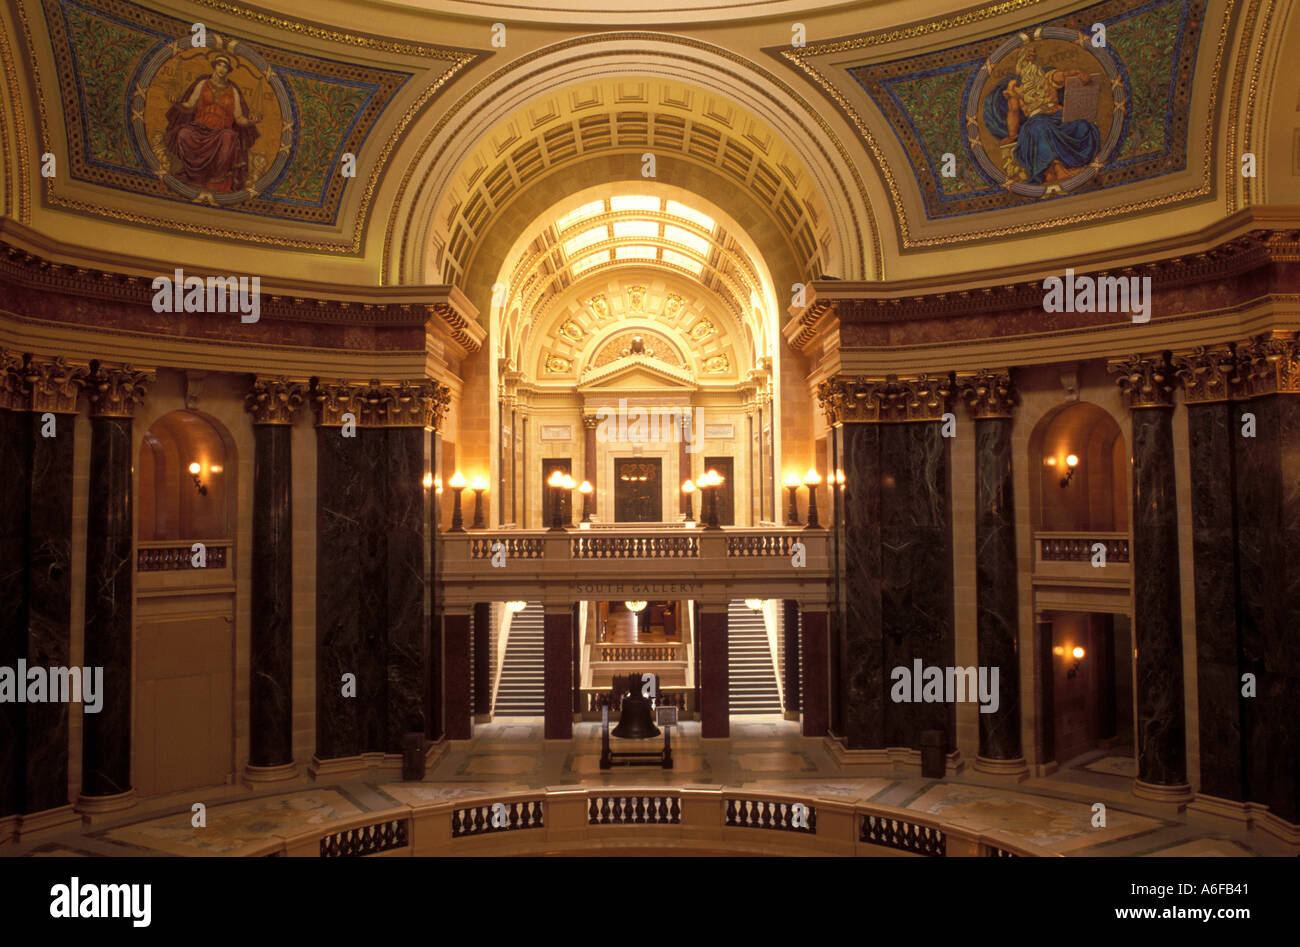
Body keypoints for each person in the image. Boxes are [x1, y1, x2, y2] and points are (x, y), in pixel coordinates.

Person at [983, 45, 1101, 186]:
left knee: (1082, 125)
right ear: (1021, 64)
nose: (1031, 63)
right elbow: (1013, 111)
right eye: (1028, 59)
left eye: (1033, 59)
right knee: (1041, 128)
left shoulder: (1048, 77)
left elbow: (1064, 75)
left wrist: (1078, 73)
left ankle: (1077, 165)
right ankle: (1054, 170)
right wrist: (1012, 135)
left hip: (1059, 116)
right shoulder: (1016, 89)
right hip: (1036, 121)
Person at [164, 54, 260, 193]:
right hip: (199, 128)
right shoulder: (203, 84)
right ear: (214, 66)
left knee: (229, 136)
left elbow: (238, 117)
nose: (221, 69)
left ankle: (217, 179)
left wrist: (251, 121)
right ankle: (192, 175)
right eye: (219, 65)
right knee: (184, 133)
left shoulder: (232, 91)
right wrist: (177, 103)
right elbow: (190, 104)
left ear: (228, 70)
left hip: (221, 131)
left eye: (225, 66)